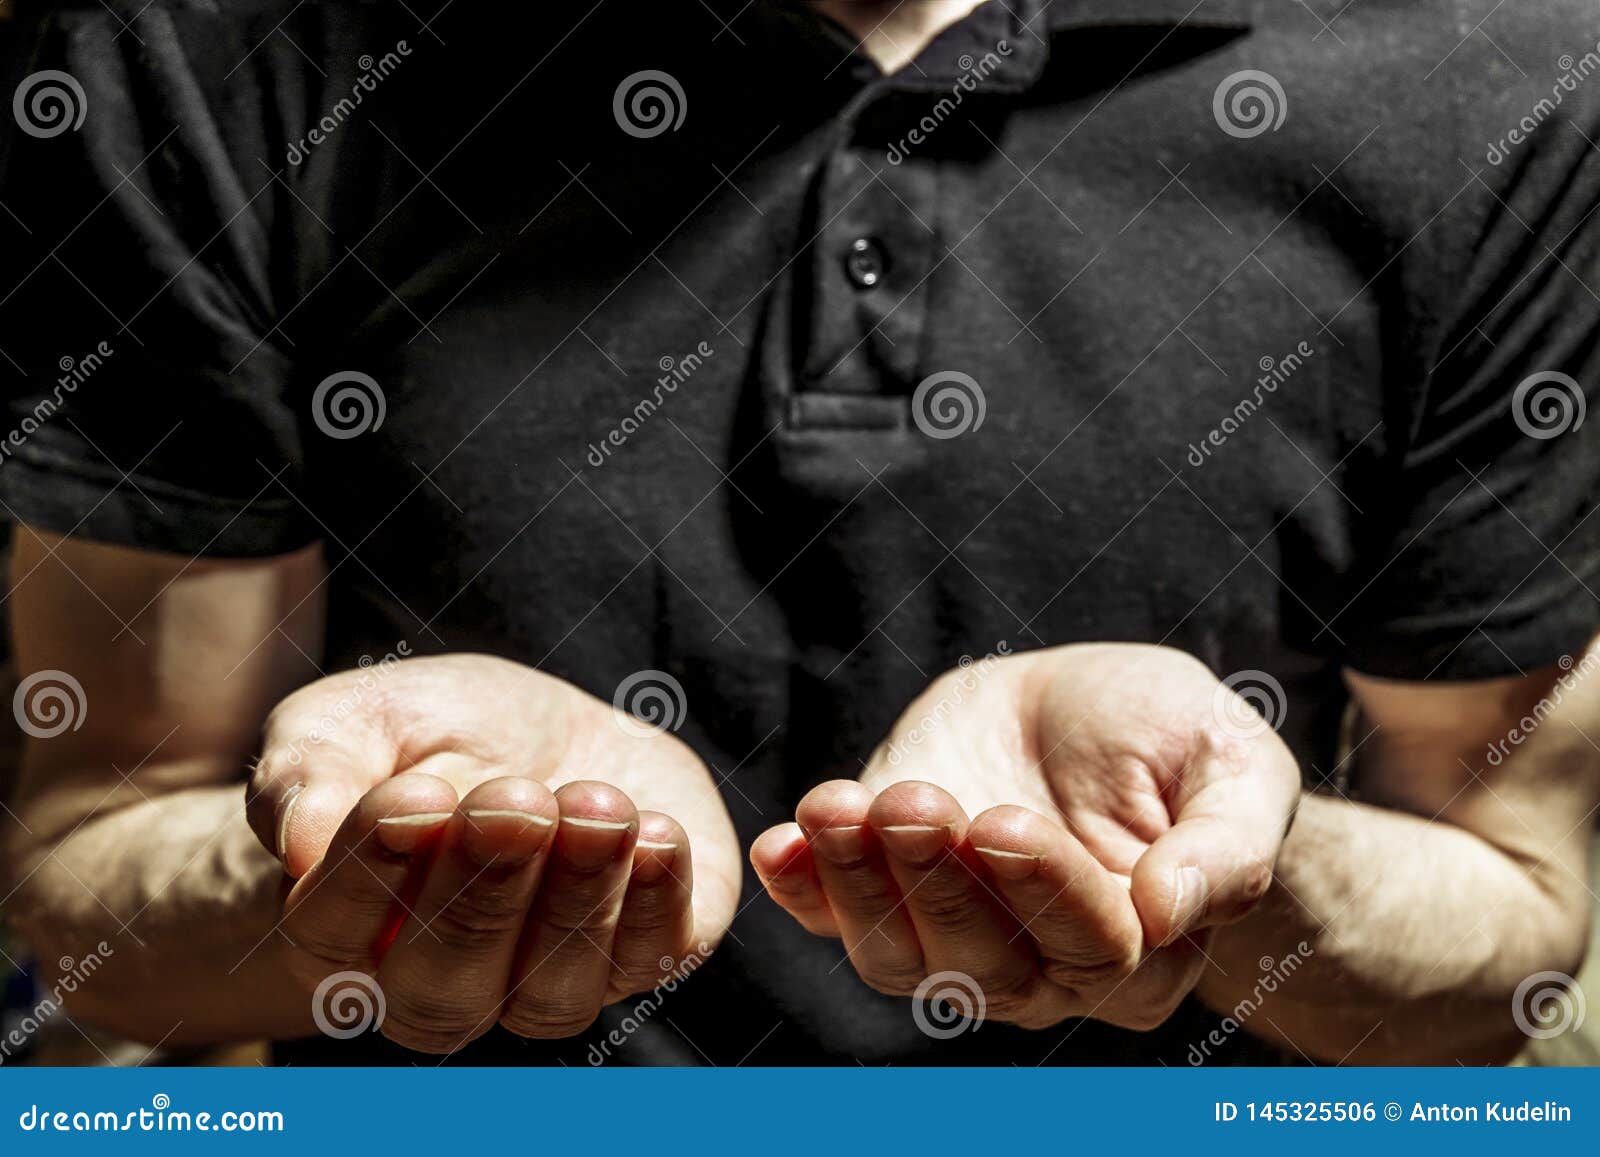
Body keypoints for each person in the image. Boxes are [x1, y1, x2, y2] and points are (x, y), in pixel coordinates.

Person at [0, 0, 1597, 1067]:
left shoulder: (1505, 67)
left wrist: (1217, 874)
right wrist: (355, 858)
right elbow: (95, 877)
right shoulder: (204, 47)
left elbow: (1516, 915)